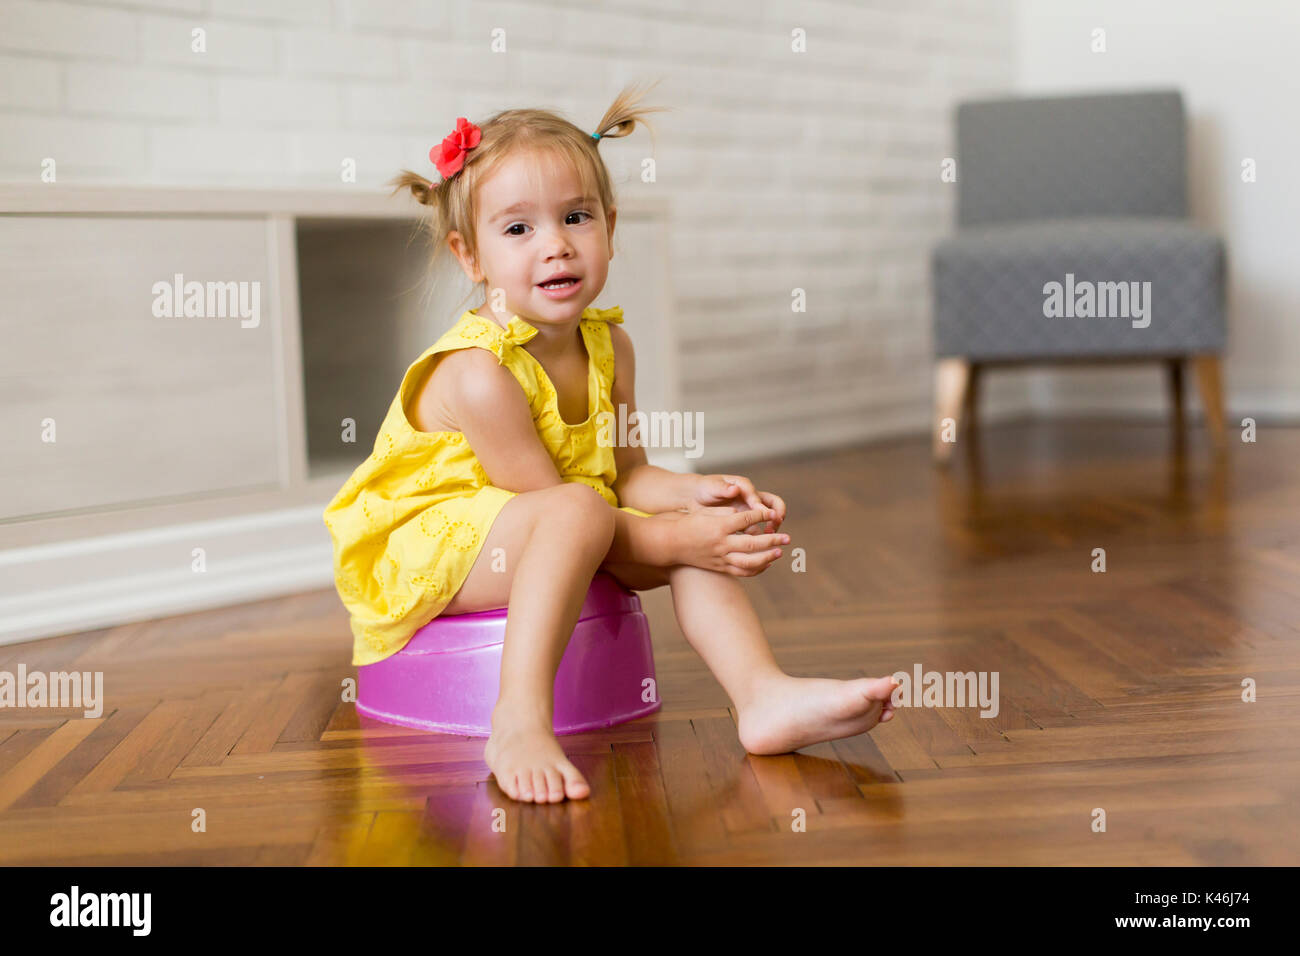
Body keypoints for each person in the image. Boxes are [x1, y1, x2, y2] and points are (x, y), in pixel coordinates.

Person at [323, 82, 898, 805]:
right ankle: (519, 719)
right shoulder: (480, 375)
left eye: (575, 217)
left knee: (679, 530)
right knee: (632, 528)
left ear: (611, 228)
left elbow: (621, 476)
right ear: (470, 256)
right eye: (518, 229)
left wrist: (694, 495)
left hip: (546, 525)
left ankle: (763, 696)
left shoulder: (609, 346)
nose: (556, 244)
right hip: (434, 550)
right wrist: (683, 542)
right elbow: (567, 515)